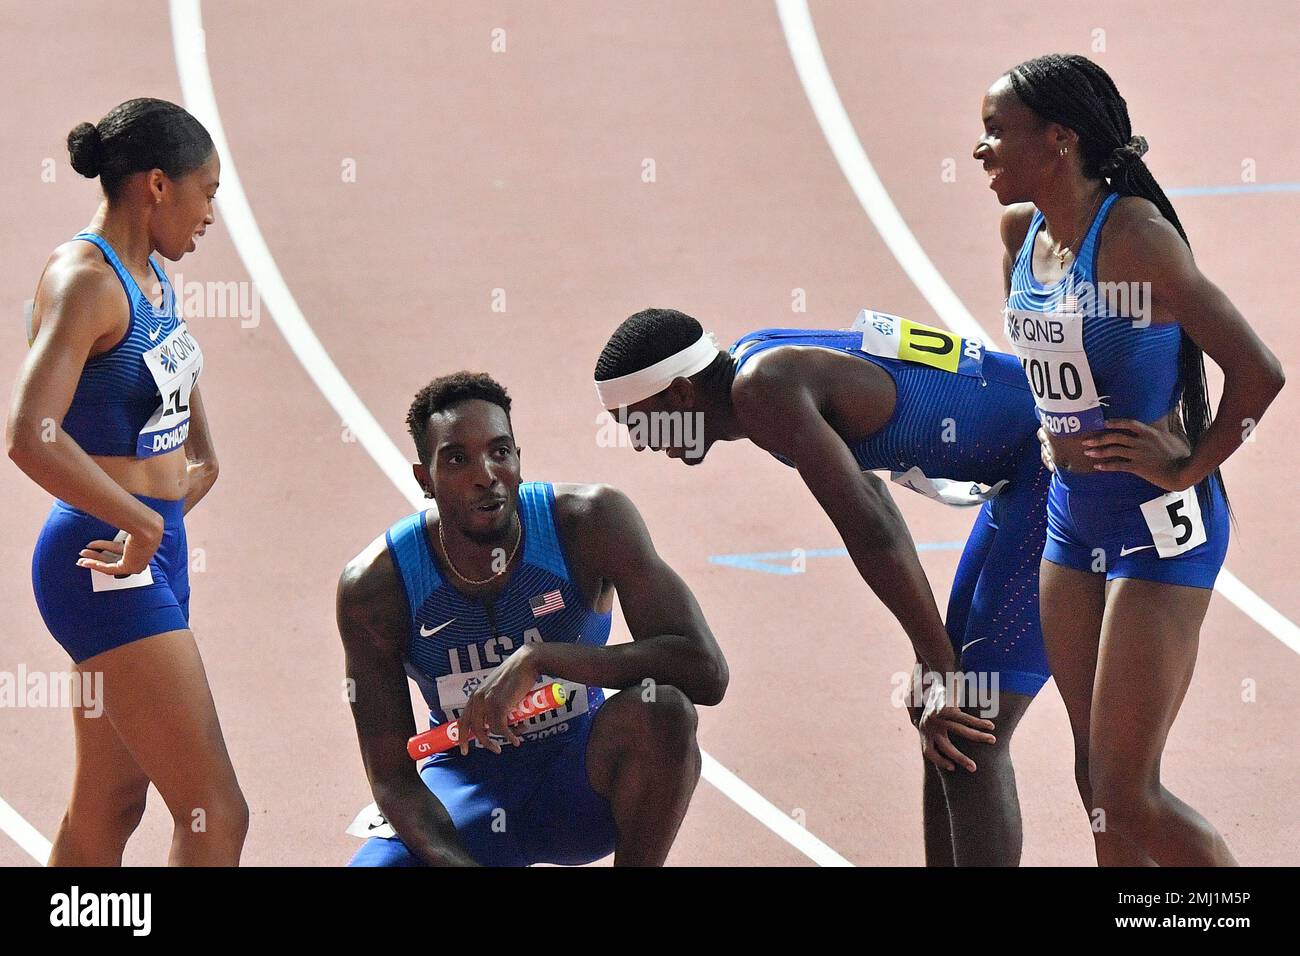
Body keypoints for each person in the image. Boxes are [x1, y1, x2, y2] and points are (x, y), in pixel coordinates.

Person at [594, 306, 1050, 866]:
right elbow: (876, 501)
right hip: (1025, 466)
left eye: (637, 423)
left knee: (969, 722)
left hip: (1051, 460)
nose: (640, 445)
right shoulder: (755, 362)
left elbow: (870, 529)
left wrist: (939, 663)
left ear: (682, 395)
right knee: (949, 729)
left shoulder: (762, 393)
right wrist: (931, 657)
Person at [975, 53, 1285, 865]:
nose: (981, 152)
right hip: (1071, 521)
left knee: (1127, 793)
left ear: (1059, 138)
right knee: (1096, 783)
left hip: (1159, 527)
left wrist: (1189, 465)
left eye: (997, 133)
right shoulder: (1022, 234)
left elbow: (1259, 372)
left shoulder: (1137, 241)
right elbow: (1051, 364)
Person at [340, 372, 728, 866]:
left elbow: (705, 671)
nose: (485, 474)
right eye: (457, 459)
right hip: (465, 786)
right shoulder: (376, 586)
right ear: (425, 480)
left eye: (500, 451)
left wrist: (541, 657)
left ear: (519, 461)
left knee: (664, 711)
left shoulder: (589, 522)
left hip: (581, 778)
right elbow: (392, 776)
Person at [5, 98, 247, 865]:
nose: (212, 213)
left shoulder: (150, 277)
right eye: (207, 191)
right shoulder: (86, 280)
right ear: (156, 185)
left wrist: (192, 472)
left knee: (110, 802)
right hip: (104, 557)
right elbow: (28, 434)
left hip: (151, 548)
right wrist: (140, 521)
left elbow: (169, 397)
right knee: (217, 811)